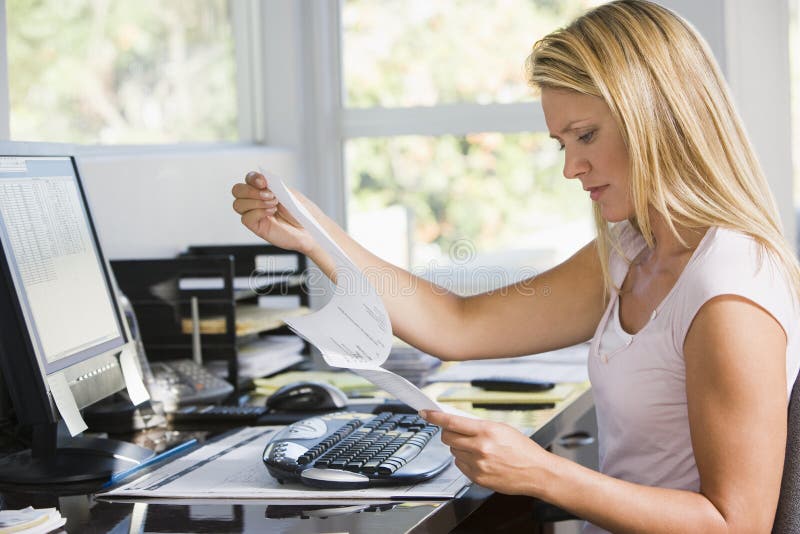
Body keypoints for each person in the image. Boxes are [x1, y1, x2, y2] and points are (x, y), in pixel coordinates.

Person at [231, 1, 800, 531]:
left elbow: (736, 523)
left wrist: (542, 473)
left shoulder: (728, 290)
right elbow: (457, 324)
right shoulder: (634, 252)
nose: (572, 168)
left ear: (659, 118)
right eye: (561, 143)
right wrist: (314, 233)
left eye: (586, 135)